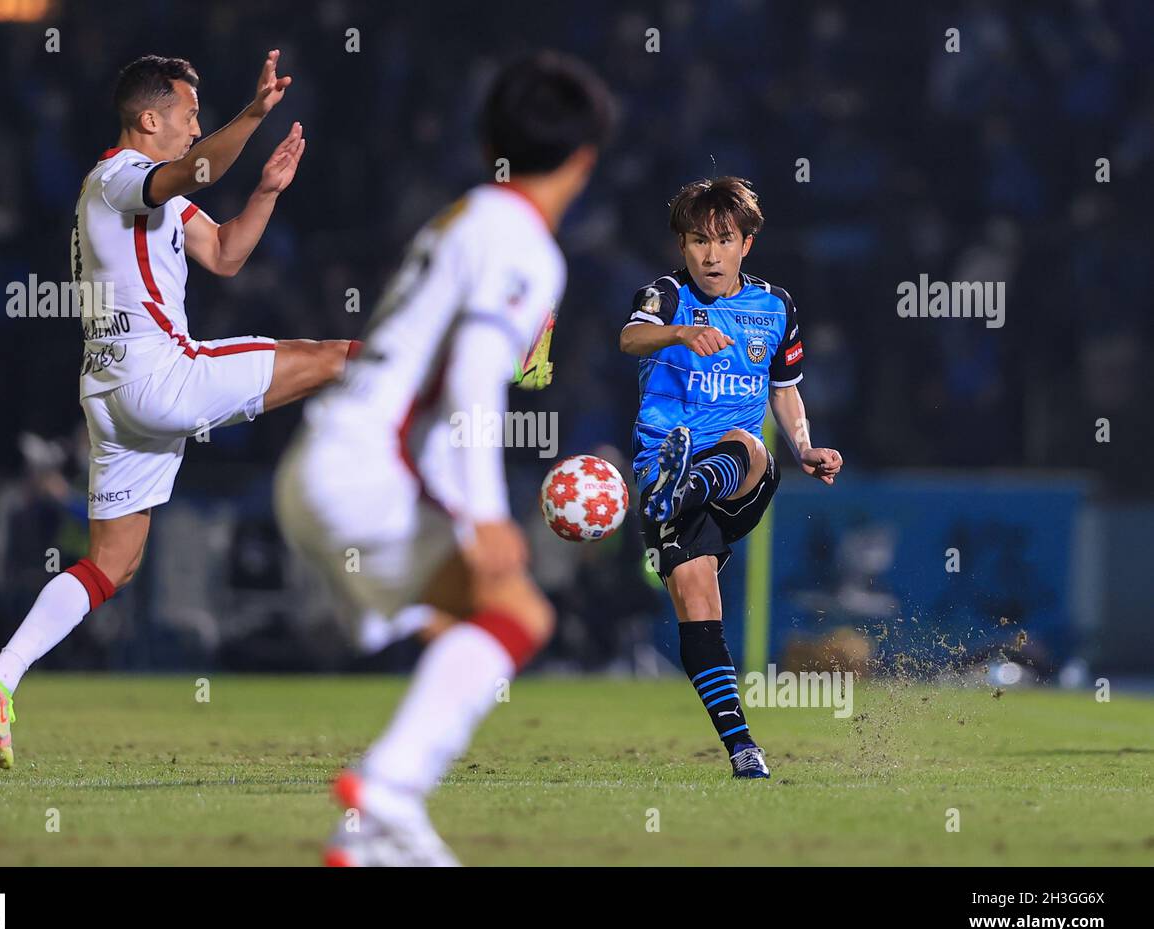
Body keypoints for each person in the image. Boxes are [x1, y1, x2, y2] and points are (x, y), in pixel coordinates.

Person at [0, 52, 357, 769]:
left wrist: (266, 191)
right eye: (188, 114)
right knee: (334, 356)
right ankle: (492, 356)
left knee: (113, 562)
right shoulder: (117, 179)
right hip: (157, 376)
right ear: (150, 119)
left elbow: (228, 255)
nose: (196, 127)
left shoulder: (160, 196)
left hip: (114, 395)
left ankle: (1, 678)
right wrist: (254, 115)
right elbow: (202, 167)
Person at [276, 51, 614, 865]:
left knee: (465, 619)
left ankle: (373, 839)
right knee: (518, 613)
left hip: (318, 463)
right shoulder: (524, 244)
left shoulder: (459, 218)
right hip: (370, 473)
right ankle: (389, 788)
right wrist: (485, 512)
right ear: (583, 159)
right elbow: (470, 374)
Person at [619, 177, 843, 779]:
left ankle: (678, 492)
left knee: (747, 442)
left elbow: (785, 389)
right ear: (682, 247)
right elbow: (630, 337)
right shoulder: (665, 296)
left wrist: (804, 446)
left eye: (723, 240)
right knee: (697, 604)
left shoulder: (776, 307)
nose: (709, 254)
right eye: (696, 241)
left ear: (747, 242)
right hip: (665, 461)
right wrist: (682, 332)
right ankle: (744, 749)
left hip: (739, 476)